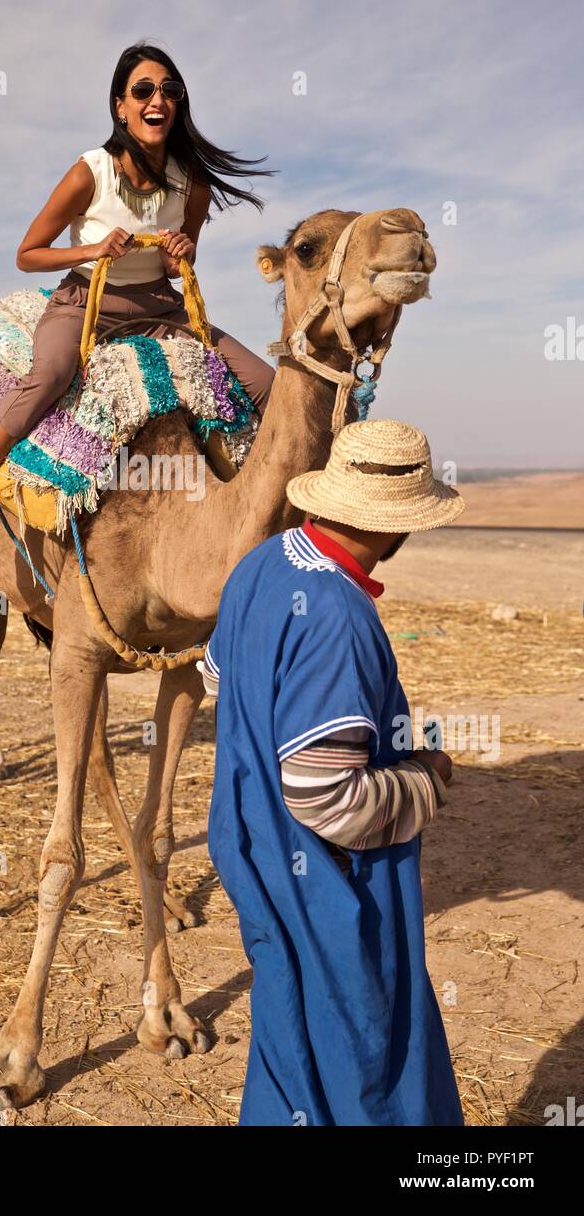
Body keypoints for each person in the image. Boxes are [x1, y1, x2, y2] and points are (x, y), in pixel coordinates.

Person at [0, 40, 277, 587]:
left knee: (265, 382)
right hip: (85, 302)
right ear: (120, 105)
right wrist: (90, 250)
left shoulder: (192, 182)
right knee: (49, 377)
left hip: (162, 308)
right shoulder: (91, 172)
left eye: (169, 91)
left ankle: (271, 524)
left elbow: (183, 264)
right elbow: (27, 254)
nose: (157, 99)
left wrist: (180, 253)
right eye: (143, 90)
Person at [196, 418, 466, 1126]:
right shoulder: (339, 618)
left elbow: (221, 677)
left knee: (294, 1038)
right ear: (396, 527)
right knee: (365, 1061)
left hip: (255, 851)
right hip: (326, 881)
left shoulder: (264, 564)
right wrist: (427, 780)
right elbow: (328, 799)